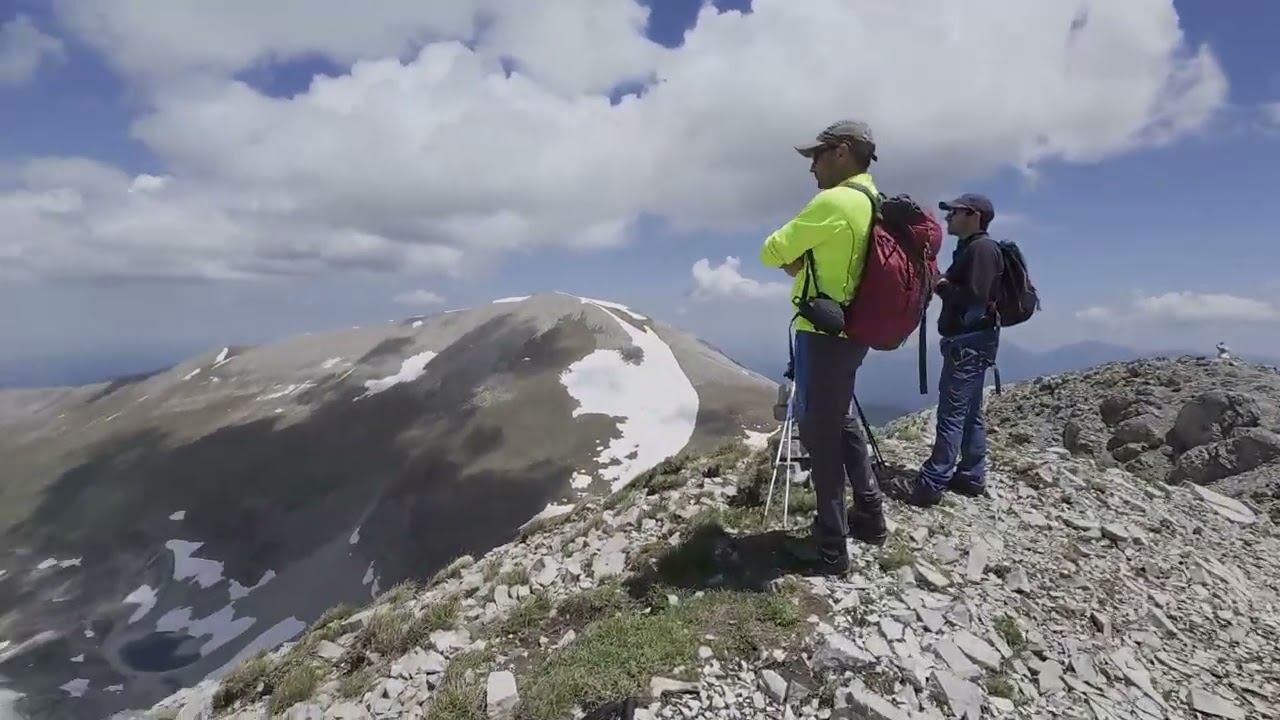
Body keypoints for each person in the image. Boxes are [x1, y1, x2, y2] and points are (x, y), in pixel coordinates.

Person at [758, 119, 887, 576]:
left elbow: (772, 250)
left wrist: (796, 260)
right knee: (843, 420)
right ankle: (869, 514)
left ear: (843, 152)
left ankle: (831, 547)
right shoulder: (876, 201)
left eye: (817, 155)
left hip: (824, 334)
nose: (811, 166)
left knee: (819, 436)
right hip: (856, 332)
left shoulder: (834, 201)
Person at [891, 193, 1003, 507]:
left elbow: (975, 297)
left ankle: (929, 484)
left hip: (967, 344)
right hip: (976, 342)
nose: (948, 218)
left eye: (954, 212)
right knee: (969, 413)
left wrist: (941, 285)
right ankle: (970, 475)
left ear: (974, 215)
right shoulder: (976, 248)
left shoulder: (981, 249)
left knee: (951, 414)